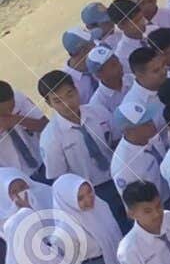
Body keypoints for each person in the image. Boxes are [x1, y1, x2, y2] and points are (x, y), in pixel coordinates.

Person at [37, 70, 122, 220]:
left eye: (70, 94)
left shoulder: (98, 112)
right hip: (92, 193)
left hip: (119, 177)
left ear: (76, 90)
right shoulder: (50, 138)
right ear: (49, 104)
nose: (67, 104)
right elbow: (60, 178)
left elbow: (117, 141)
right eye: (58, 101)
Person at [109, 99, 167, 204]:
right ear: (128, 131)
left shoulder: (152, 136)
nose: (152, 124)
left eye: (150, 119)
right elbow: (136, 203)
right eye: (145, 123)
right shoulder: (122, 166)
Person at [0, 80, 48, 180]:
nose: (9, 113)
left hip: (42, 161)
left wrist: (18, 120)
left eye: (11, 107)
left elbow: (45, 125)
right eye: (3, 112)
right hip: (15, 178)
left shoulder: (19, 98)